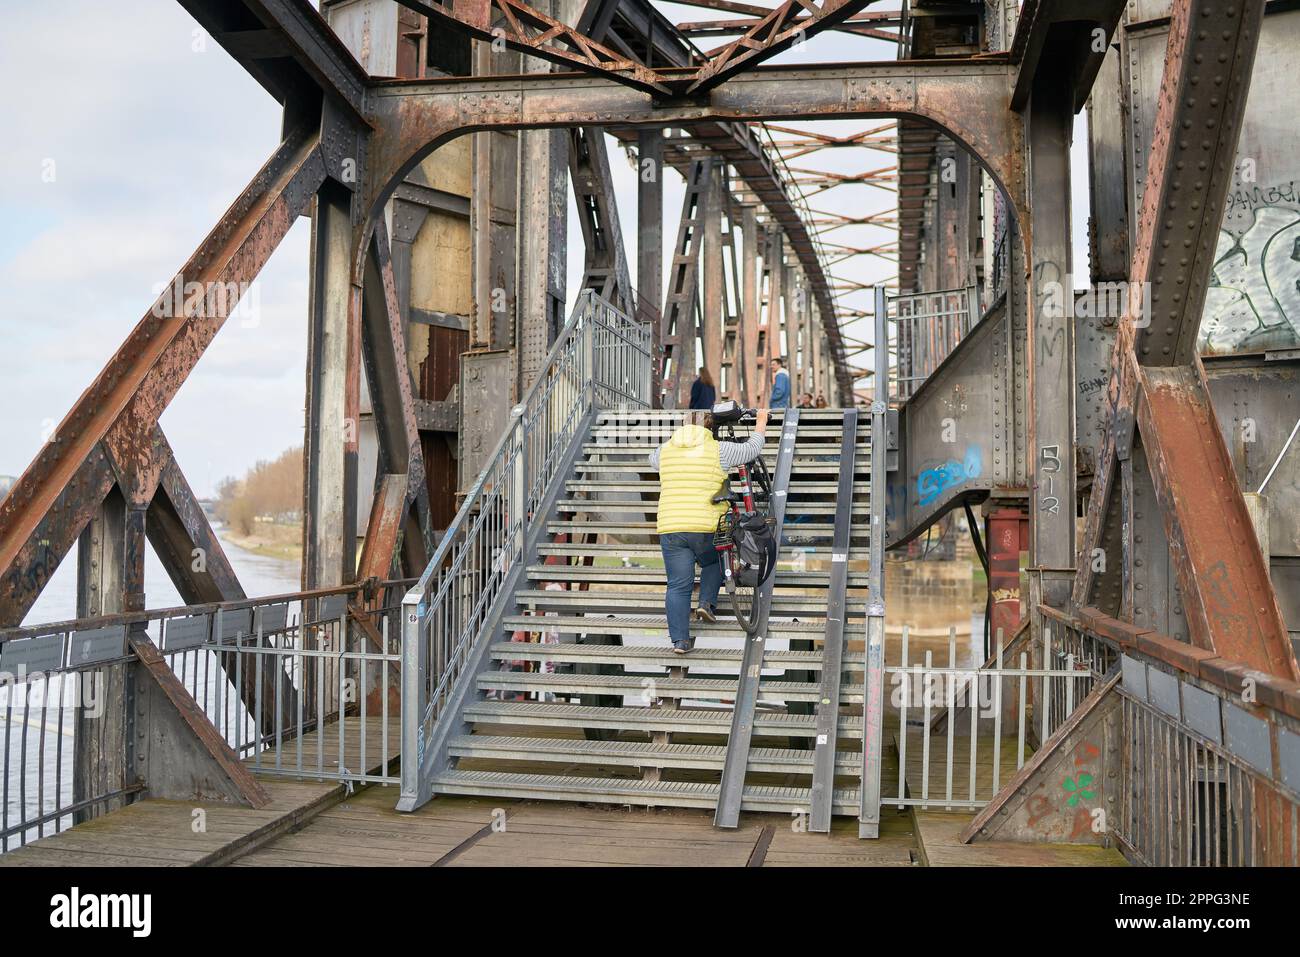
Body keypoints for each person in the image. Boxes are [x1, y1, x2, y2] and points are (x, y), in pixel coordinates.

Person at [649, 407, 770, 653]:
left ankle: (680, 641)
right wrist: (760, 423)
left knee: (677, 585)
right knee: (714, 561)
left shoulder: (666, 450)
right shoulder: (718, 449)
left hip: (671, 527)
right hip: (704, 525)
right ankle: (706, 602)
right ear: (709, 428)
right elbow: (751, 450)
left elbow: (652, 461)